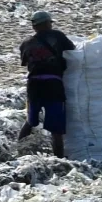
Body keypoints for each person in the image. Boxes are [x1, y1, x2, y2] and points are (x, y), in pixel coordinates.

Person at [18, 11, 75, 158]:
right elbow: (72, 51)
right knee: (56, 129)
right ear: (46, 23)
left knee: (30, 121)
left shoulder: (26, 43)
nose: (51, 24)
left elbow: (25, 63)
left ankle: (18, 153)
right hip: (53, 85)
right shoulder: (57, 36)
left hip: (34, 85)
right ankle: (59, 160)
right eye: (50, 22)